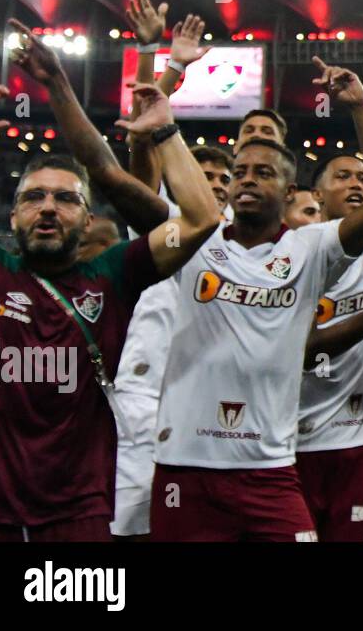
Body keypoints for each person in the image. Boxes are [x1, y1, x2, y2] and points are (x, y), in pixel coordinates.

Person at [0, 58, 220, 541]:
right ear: (12, 217)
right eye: (33, 198)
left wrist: (165, 130)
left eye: (66, 199)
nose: (48, 207)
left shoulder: (112, 277)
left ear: (88, 221)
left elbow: (200, 220)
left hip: (78, 514)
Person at [149, 61, 363, 541]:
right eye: (241, 172)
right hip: (209, 457)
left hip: (297, 457)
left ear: (288, 188)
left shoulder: (326, 248)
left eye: (264, 172)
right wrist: (154, 121)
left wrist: (360, 108)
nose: (248, 180)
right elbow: (140, 194)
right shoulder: (206, 242)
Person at [110, 144, 233, 540]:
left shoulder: (245, 236)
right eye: (205, 174)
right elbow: (141, 173)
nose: (215, 184)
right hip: (144, 394)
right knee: (129, 520)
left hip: (208, 404)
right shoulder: (164, 223)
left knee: (194, 523)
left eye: (223, 179)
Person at [295, 66, 363, 541]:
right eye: (342, 177)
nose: (356, 183)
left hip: (359, 438)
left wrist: (360, 107)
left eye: (360, 177)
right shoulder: (297, 252)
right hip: (293, 440)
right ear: (316, 194)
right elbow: (304, 349)